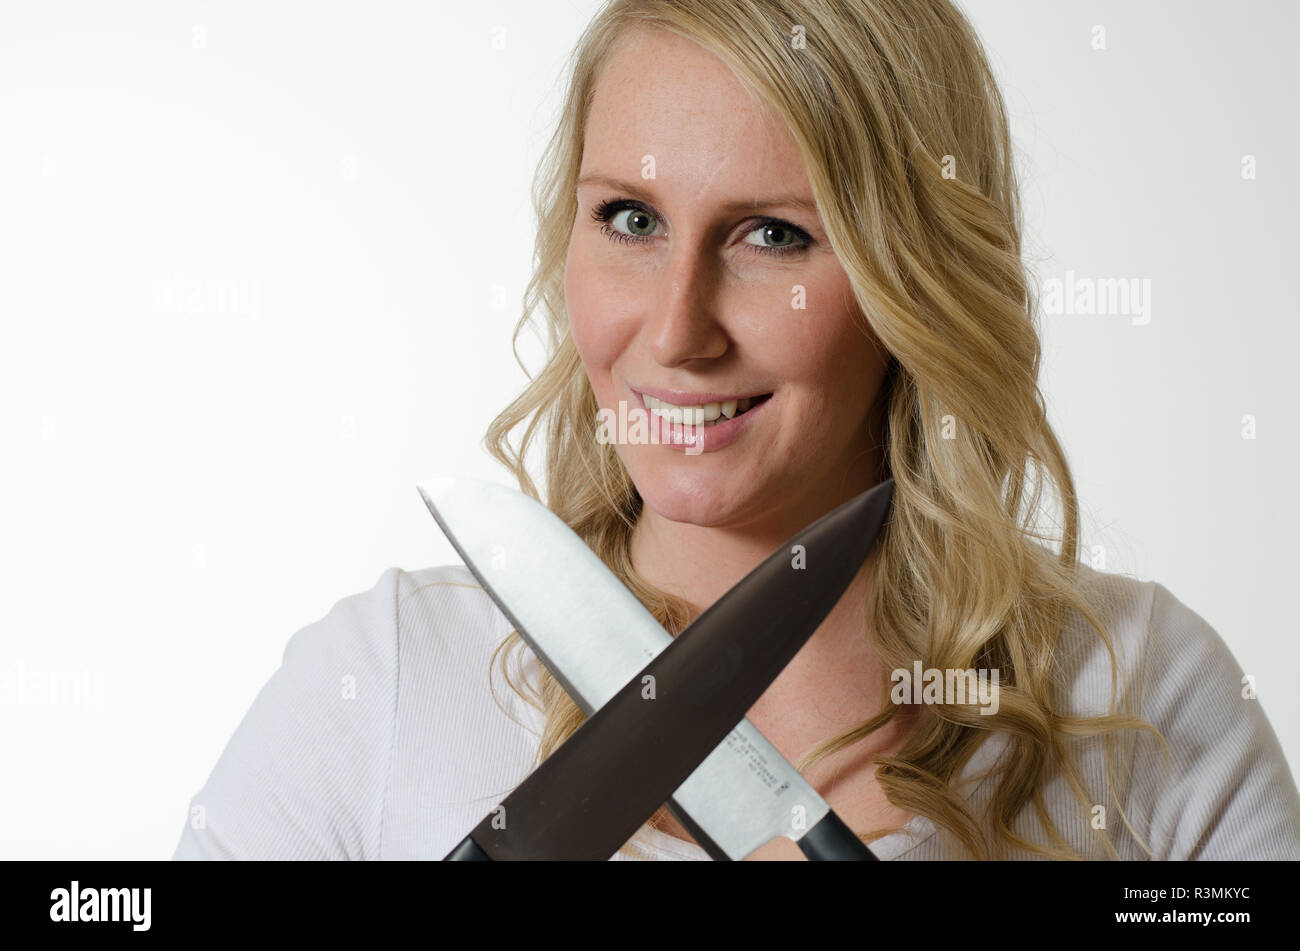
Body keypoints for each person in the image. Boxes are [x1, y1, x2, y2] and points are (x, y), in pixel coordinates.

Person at [171, 0, 1300, 861]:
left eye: (770, 236)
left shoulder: (1137, 692)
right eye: (631, 220)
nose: (674, 331)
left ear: (912, 278)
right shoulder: (392, 677)